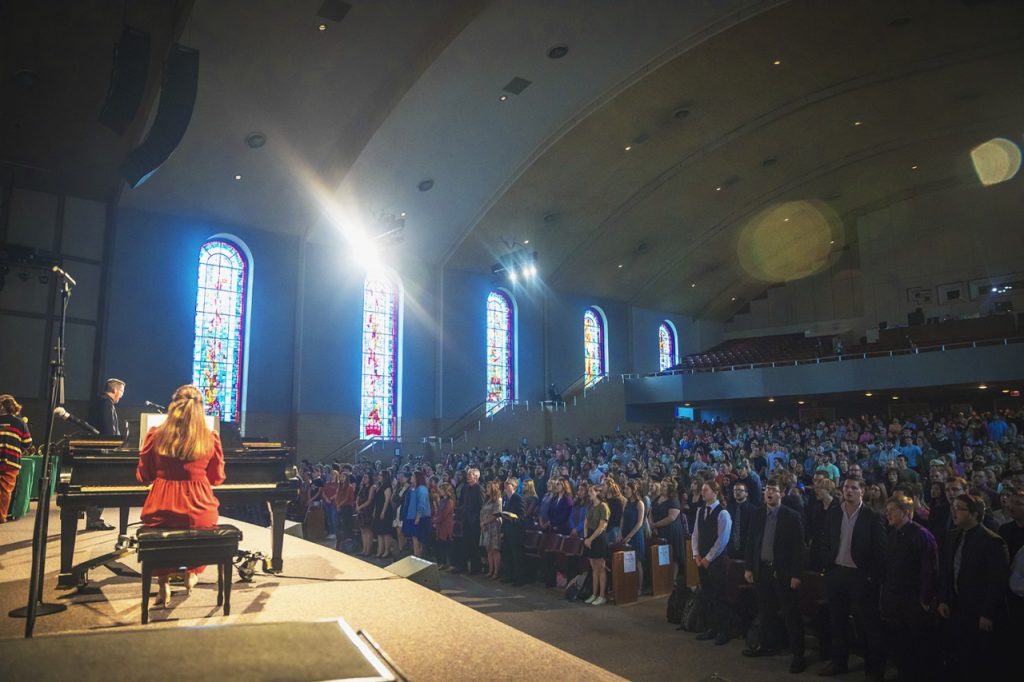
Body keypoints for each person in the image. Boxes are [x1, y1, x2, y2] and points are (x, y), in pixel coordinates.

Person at [135, 385, 225, 608]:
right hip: (200, 507)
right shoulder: (210, 438)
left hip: (161, 506)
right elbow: (217, 478)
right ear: (200, 410)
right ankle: (192, 571)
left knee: (158, 529)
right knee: (202, 524)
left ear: (172, 406)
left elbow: (144, 475)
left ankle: (163, 582)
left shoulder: (155, 435)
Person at [819, 477, 886, 680]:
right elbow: (825, 539)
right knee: (837, 622)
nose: (849, 491)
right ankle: (839, 662)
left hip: (860, 576)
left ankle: (874, 669)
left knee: (866, 624)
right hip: (837, 572)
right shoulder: (834, 512)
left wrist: (869, 577)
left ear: (862, 492)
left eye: (854, 488)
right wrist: (826, 564)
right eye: (846, 487)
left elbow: (880, 550)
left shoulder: (872, 516)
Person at [938, 493, 1010, 679]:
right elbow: (947, 571)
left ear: (975, 514)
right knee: (960, 655)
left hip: (978, 611)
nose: (954, 512)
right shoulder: (953, 535)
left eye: (959, 509)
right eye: (953, 508)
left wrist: (987, 613)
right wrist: (944, 599)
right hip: (957, 607)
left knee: (979, 660)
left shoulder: (991, 541)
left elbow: (997, 582)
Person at [742, 477, 806, 674]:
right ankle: (768, 645)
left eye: (773, 490)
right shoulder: (759, 513)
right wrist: (749, 567)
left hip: (784, 573)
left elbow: (799, 549)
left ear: (782, 493)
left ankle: (798, 655)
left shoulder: (791, 516)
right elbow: (751, 542)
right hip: (762, 570)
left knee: (790, 614)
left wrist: (796, 575)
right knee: (766, 611)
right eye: (766, 489)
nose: (768, 493)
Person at [880, 492, 938, 681]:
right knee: (900, 643)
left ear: (906, 512)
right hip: (895, 600)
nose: (887, 514)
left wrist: (924, 600)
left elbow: (929, 571)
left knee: (917, 645)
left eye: (892, 511)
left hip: (914, 601)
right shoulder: (892, 535)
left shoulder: (921, 535)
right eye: (886, 511)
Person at [692, 480, 733, 646]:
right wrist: (696, 554)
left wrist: (708, 558)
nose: (703, 493)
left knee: (719, 596)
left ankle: (724, 630)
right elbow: (695, 533)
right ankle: (711, 627)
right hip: (701, 561)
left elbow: (722, 539)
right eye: (702, 490)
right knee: (707, 595)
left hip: (716, 562)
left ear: (715, 492)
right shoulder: (700, 511)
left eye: (706, 490)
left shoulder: (722, 513)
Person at [86, 378, 125, 530]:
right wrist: (117, 446)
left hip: (97, 448)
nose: (121, 396)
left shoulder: (100, 401)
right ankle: (95, 520)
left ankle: (94, 518)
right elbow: (109, 429)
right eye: (121, 392)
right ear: (114, 390)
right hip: (102, 450)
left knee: (97, 484)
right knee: (100, 484)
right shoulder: (106, 403)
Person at [0, 395, 32, 522]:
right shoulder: (20, 423)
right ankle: (1, 516)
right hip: (12, 461)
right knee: (5, 490)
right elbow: (27, 442)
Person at [651, 477, 687, 585]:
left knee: (673, 555)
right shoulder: (657, 498)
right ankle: (661, 578)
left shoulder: (673, 500)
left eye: (664, 486)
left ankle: (672, 580)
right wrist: (653, 526)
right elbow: (650, 512)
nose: (661, 487)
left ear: (670, 488)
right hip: (659, 530)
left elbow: (671, 518)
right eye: (661, 485)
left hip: (671, 530)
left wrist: (655, 525)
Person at [583, 483, 610, 606]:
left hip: (599, 538)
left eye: (591, 491)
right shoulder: (590, 506)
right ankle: (594, 593)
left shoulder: (603, 506)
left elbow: (602, 526)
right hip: (590, 537)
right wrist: (586, 537)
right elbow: (586, 522)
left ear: (597, 493)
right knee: (593, 568)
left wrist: (591, 538)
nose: (589, 494)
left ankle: (602, 595)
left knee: (601, 568)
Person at [452, 467, 483, 574]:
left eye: (470, 475)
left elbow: (481, 506)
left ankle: (476, 568)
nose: (468, 477)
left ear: (476, 477)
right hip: (465, 519)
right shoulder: (465, 488)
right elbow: (462, 503)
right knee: (464, 543)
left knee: (474, 545)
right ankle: (463, 566)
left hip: (474, 521)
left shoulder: (479, 489)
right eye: (468, 475)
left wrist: (477, 518)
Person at [621, 479, 646, 593]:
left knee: (637, 562)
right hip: (625, 533)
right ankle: (629, 585)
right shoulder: (626, 502)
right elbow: (622, 518)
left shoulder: (639, 503)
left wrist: (630, 536)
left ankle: (639, 588)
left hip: (636, 535)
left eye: (627, 488)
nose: (625, 490)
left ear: (633, 490)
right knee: (627, 561)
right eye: (625, 488)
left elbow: (640, 522)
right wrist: (620, 533)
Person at [501, 477, 526, 585]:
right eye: (505, 485)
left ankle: (519, 578)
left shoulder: (518, 498)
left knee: (517, 556)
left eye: (508, 485)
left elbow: (522, 515)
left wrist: (514, 519)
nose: (506, 487)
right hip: (507, 530)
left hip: (516, 531)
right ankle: (508, 576)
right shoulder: (506, 498)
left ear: (514, 486)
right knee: (507, 554)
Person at [404, 471, 431, 557]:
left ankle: (418, 556)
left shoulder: (422, 489)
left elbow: (422, 504)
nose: (411, 477)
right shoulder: (412, 488)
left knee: (418, 538)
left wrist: (418, 516)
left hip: (421, 517)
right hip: (411, 516)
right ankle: (416, 555)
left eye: (413, 476)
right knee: (414, 537)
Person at [480, 480, 503, 579]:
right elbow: (481, 512)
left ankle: (496, 572)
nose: (487, 489)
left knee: (494, 549)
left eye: (489, 487)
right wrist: (481, 522)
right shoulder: (486, 500)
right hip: (485, 527)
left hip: (494, 526)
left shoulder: (498, 500)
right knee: (488, 549)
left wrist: (485, 522)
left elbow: (496, 514)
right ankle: (490, 570)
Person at [433, 482, 456, 569]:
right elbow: (439, 512)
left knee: (445, 545)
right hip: (440, 525)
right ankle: (441, 562)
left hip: (446, 526)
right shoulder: (442, 501)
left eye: (442, 490)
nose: (440, 491)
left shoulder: (450, 502)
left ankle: (446, 563)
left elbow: (444, 514)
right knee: (440, 545)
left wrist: (436, 520)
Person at [354, 473, 374, 556]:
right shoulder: (362, 487)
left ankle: (368, 550)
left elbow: (369, 500)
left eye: (366, 477)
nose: (364, 479)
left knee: (368, 530)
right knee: (362, 530)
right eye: (364, 477)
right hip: (360, 510)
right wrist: (357, 506)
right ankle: (364, 549)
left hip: (367, 510)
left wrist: (361, 506)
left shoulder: (372, 487)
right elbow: (357, 497)